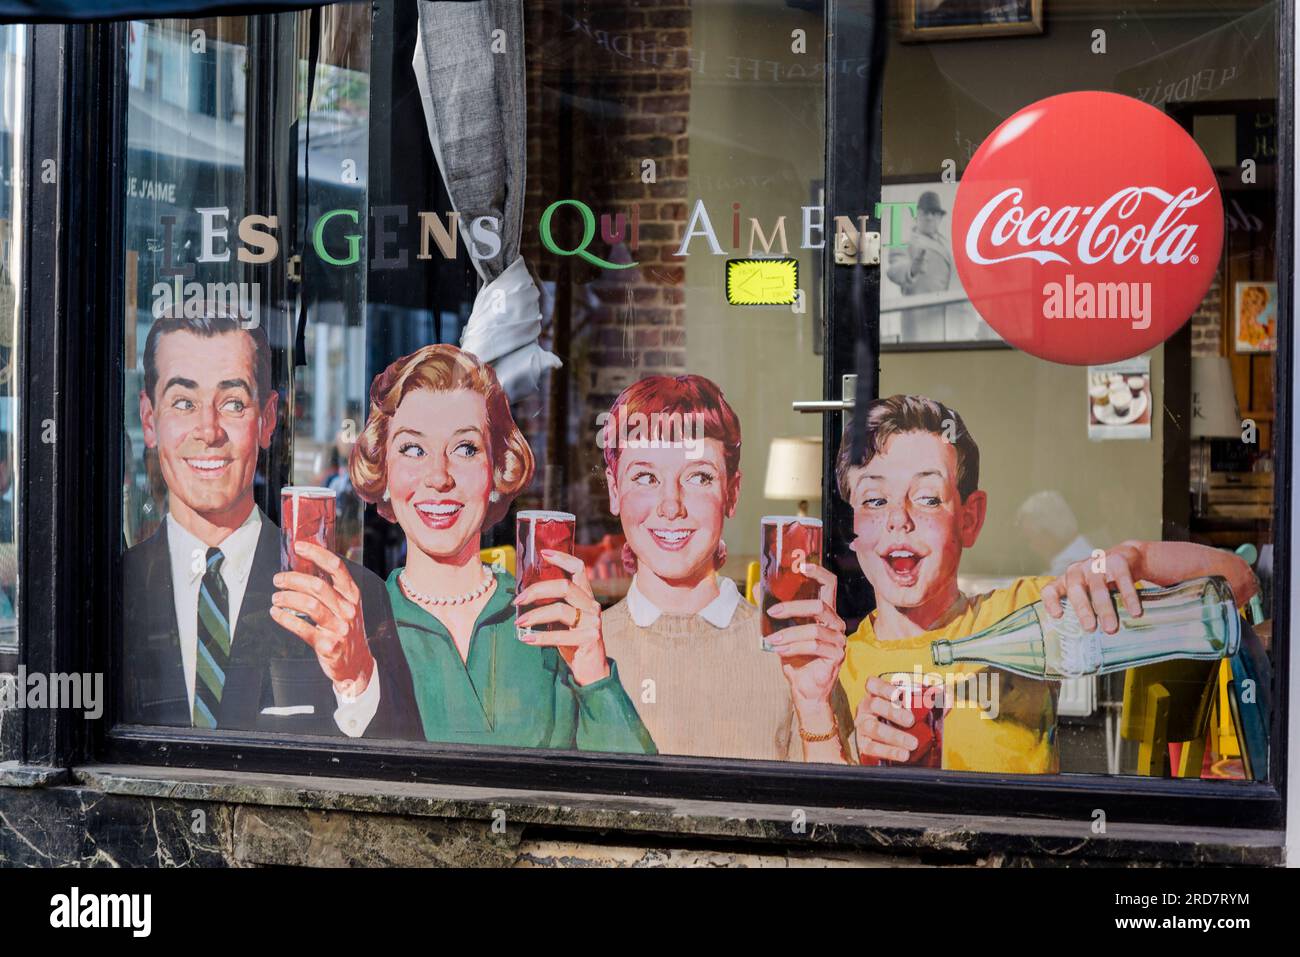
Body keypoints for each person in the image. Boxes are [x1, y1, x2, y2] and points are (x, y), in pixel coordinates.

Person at [837, 394, 1256, 773]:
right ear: (853, 523)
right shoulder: (837, 668)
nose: (898, 518)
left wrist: (1139, 557)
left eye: (928, 498)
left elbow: (1237, 581)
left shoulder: (1032, 612)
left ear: (970, 518)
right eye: (875, 500)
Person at [124, 311, 421, 738]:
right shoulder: (109, 594)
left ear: (266, 420)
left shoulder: (354, 601)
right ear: (150, 420)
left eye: (232, 404)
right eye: (184, 403)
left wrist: (356, 681)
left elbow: (404, 767)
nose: (208, 431)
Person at [349, 344, 655, 753]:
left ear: (496, 472)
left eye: (465, 448)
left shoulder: (549, 619)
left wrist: (592, 670)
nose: (438, 477)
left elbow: (634, 797)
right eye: (413, 449)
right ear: (383, 471)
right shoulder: (362, 625)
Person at [598, 374, 852, 762]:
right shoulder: (585, 650)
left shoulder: (793, 650)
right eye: (646, 477)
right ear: (615, 491)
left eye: (699, 477)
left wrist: (814, 703)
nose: (671, 506)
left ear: (732, 493)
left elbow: (836, 817)